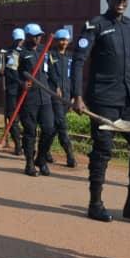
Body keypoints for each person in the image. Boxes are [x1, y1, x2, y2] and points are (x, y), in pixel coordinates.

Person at [70, 0, 130, 223]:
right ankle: (95, 203)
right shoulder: (96, 25)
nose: (121, 3)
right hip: (103, 99)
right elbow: (78, 60)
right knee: (103, 151)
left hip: (129, 98)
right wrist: (77, 95)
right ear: (108, 0)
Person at [18, 23, 56, 177]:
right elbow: (10, 73)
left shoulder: (44, 51)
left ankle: (41, 158)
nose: (38, 38)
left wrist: (57, 86)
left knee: (49, 129)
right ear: (27, 37)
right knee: (30, 132)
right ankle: (29, 163)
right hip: (29, 99)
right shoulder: (19, 54)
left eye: (40, 35)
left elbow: (52, 71)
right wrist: (22, 83)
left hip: (45, 97)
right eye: (35, 36)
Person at [49, 29, 77, 168]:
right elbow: (48, 75)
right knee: (62, 125)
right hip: (55, 96)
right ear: (56, 41)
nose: (64, 43)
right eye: (61, 40)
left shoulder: (70, 57)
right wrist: (55, 87)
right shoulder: (50, 56)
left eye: (66, 40)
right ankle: (70, 156)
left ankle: (45, 151)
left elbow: (72, 77)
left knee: (55, 126)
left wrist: (73, 96)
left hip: (67, 96)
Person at [0, 28, 25, 156]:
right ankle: (18, 144)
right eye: (17, 40)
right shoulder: (4, 52)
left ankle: (26, 143)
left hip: (24, 90)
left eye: (21, 40)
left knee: (25, 117)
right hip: (11, 90)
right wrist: (0, 70)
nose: (19, 42)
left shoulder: (26, 52)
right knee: (12, 117)